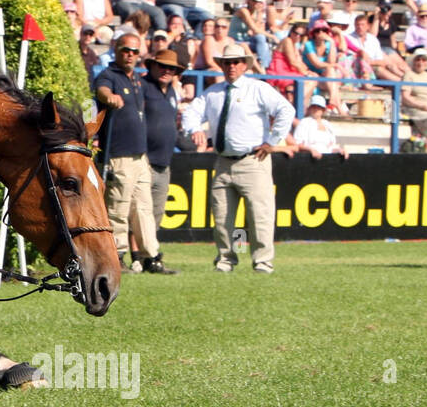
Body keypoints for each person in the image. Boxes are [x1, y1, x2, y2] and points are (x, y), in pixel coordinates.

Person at [180, 43, 295, 274]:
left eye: (235, 62)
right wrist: (194, 129)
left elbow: (286, 110)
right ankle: (225, 259)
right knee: (222, 216)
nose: (231, 66)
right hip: (223, 162)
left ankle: (262, 261)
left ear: (244, 65)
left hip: (253, 160)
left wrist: (272, 141)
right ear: (221, 65)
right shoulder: (213, 93)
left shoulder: (257, 88)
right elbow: (191, 112)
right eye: (227, 62)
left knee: (259, 215)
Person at [94, 32, 172, 275]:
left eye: (135, 51)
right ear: (116, 50)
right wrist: (110, 98)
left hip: (140, 156)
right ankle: (116, 257)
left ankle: (152, 257)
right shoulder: (109, 75)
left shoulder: (136, 80)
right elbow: (101, 92)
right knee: (118, 207)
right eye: (126, 50)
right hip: (119, 155)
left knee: (143, 208)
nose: (130, 55)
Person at [140, 48, 184, 274]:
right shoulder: (142, 87)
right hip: (144, 160)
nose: (166, 71)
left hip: (164, 163)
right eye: (162, 66)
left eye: (171, 68)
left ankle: (148, 258)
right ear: (152, 66)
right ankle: (136, 258)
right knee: (138, 212)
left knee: (155, 214)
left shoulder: (173, 92)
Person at [290, 95, 344, 159]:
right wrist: (311, 150)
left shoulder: (327, 124)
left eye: (319, 107)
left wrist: (340, 150)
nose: (316, 109)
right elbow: (298, 144)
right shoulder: (304, 123)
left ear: (323, 110)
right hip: (309, 158)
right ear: (309, 109)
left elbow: (331, 147)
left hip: (327, 159)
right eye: (313, 107)